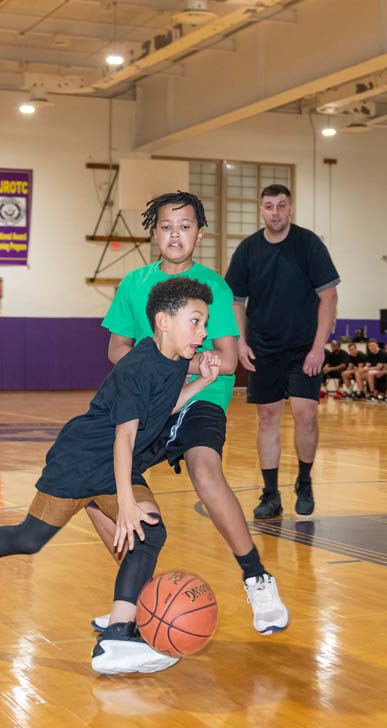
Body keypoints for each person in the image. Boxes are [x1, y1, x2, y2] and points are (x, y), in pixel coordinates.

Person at [0, 278, 224, 675]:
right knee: (28, 539)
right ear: (163, 321)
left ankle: (119, 634)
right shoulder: (137, 367)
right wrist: (125, 502)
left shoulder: (174, 362)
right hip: (81, 460)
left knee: (149, 531)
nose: (204, 332)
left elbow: (159, 411)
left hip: (113, 466)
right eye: (196, 322)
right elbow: (124, 437)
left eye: (205, 323)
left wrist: (203, 382)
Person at [93, 191, 289, 635]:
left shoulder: (213, 287)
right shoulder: (133, 284)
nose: (175, 234)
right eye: (165, 226)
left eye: (184, 226)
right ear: (154, 233)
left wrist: (189, 368)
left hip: (201, 397)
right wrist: (153, 373)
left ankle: (256, 577)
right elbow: (115, 348)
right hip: (151, 403)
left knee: (205, 468)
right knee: (93, 480)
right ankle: (138, 597)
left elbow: (228, 357)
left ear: (199, 233)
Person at [227, 184, 340, 519]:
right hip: (263, 348)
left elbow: (329, 297)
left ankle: (304, 482)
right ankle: (271, 493)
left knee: (306, 413)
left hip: (304, 347)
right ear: (260, 210)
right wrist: (241, 341)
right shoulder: (248, 249)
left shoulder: (308, 245)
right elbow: (236, 301)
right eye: (268, 206)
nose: (275, 212)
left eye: (280, 206)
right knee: (267, 418)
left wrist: (319, 347)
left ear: (291, 208)